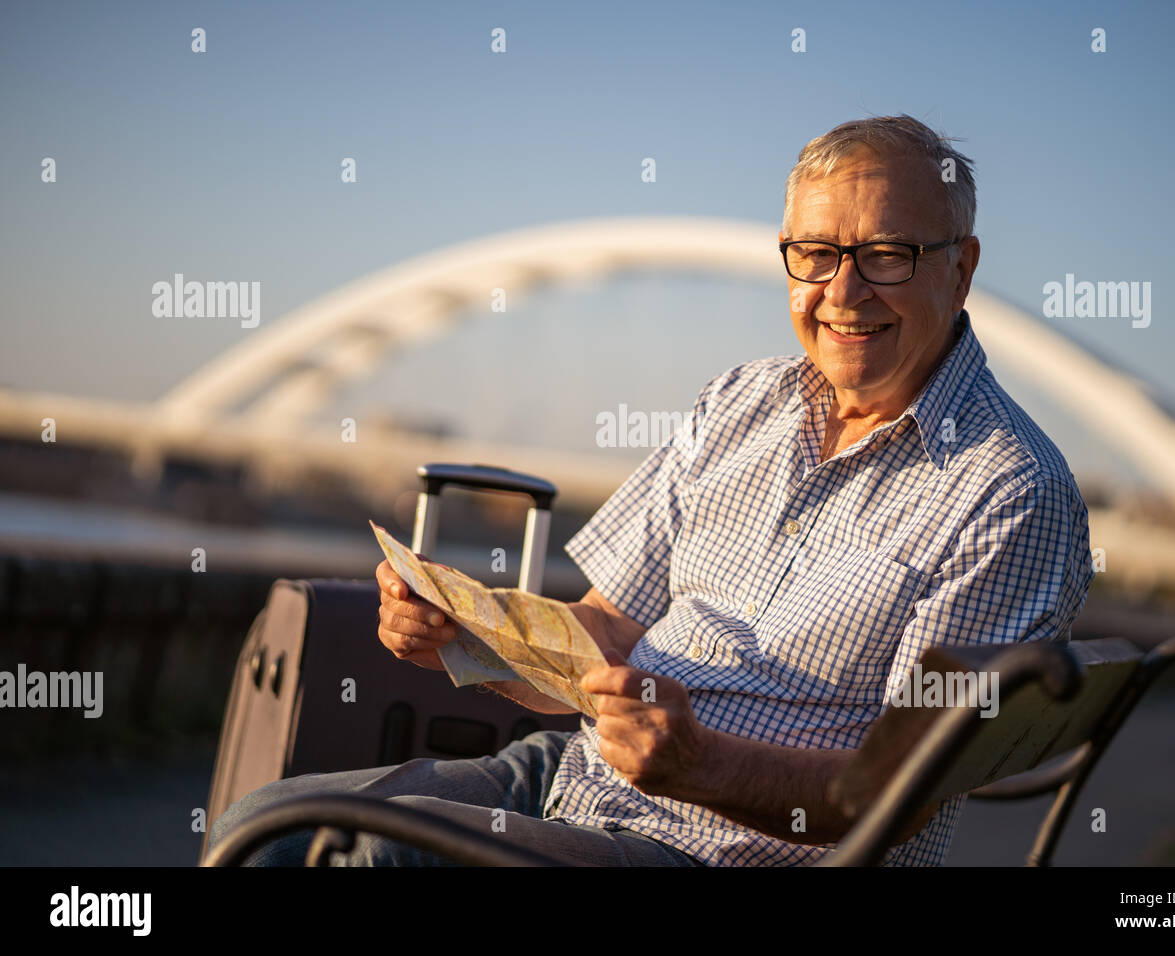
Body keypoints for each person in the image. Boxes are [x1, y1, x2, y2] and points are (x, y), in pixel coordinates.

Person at [209, 115, 1095, 866]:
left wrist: (700, 765)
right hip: (578, 779)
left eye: (887, 255)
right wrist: (465, 634)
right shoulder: (741, 401)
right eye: (815, 254)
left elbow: (899, 791)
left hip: (715, 854)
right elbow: (605, 634)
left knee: (379, 856)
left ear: (961, 266)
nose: (843, 291)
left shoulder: (1009, 491)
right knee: (263, 827)